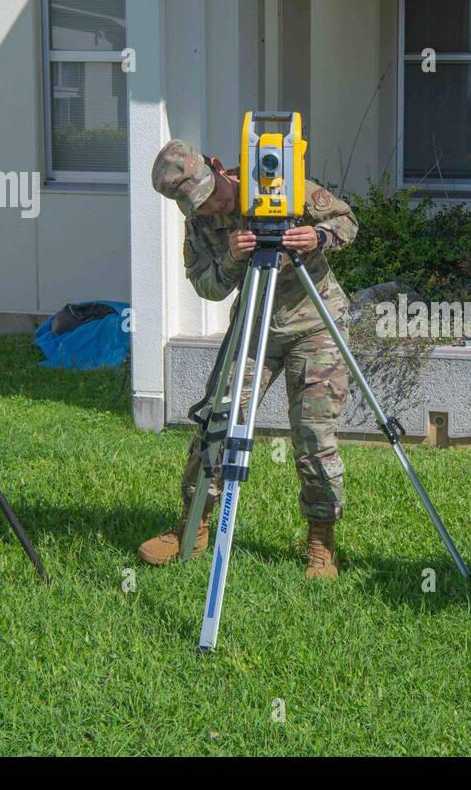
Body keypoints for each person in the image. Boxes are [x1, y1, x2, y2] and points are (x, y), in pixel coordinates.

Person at [144, 139, 357, 579]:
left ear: (219, 168)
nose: (209, 207)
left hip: (316, 325)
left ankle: (321, 540)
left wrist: (316, 235)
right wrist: (233, 260)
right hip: (255, 326)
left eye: (211, 195)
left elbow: (347, 220)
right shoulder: (200, 224)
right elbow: (207, 286)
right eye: (195, 205)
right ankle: (196, 524)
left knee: (314, 434)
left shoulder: (279, 183)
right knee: (219, 422)